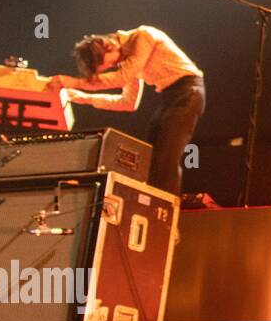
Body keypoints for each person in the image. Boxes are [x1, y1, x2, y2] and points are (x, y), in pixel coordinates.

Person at [48, 26, 206, 195]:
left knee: (166, 159)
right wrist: (82, 97)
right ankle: (154, 205)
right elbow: (128, 102)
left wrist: (74, 82)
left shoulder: (143, 36)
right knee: (152, 159)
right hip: (172, 97)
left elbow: (122, 77)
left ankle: (166, 210)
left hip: (187, 92)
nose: (111, 66)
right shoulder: (129, 62)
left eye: (107, 62)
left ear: (108, 44)